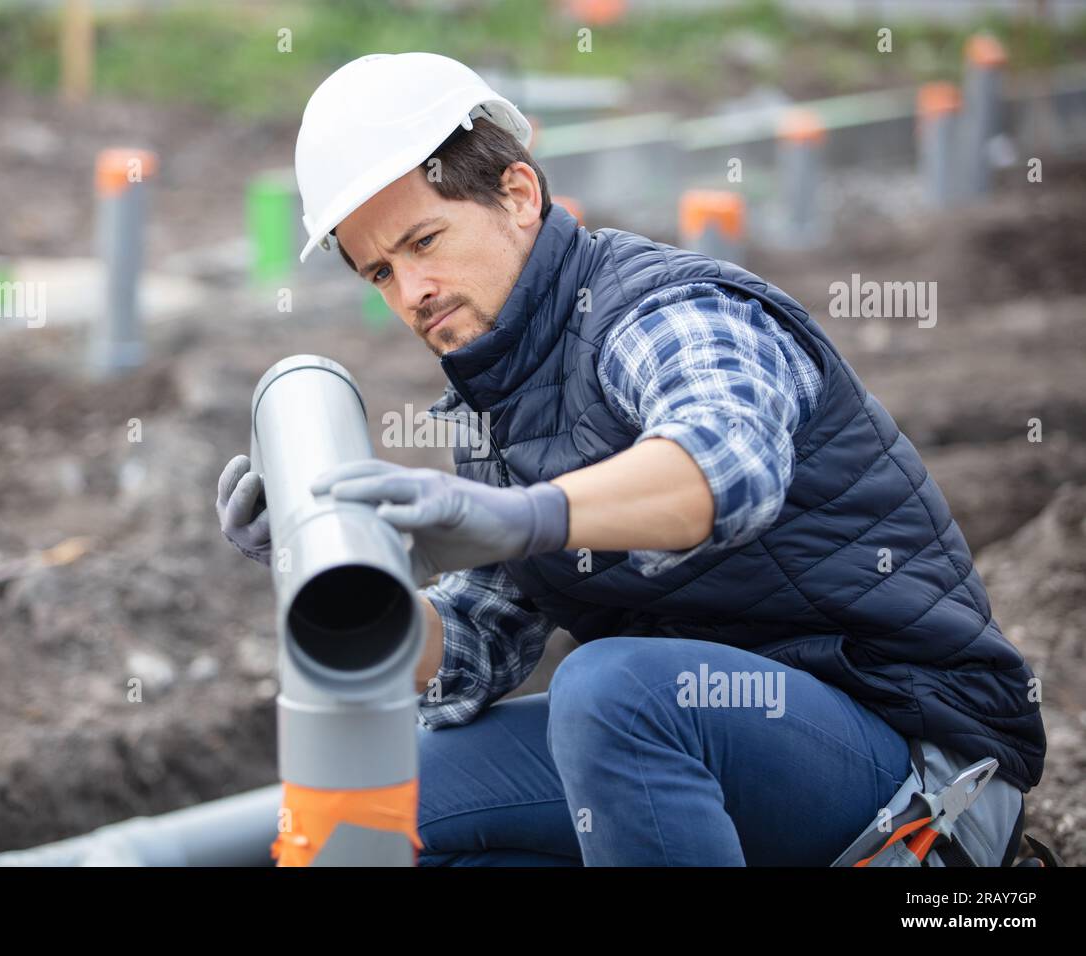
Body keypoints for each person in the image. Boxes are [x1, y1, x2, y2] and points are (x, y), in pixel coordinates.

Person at [216, 52, 1045, 865]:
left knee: (614, 691)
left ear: (518, 194)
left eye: (425, 241)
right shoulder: (498, 400)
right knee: (410, 802)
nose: (412, 292)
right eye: (382, 274)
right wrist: (339, 578)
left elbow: (726, 467)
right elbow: (477, 646)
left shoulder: (661, 312)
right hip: (716, 751)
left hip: (913, 761)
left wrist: (518, 515)